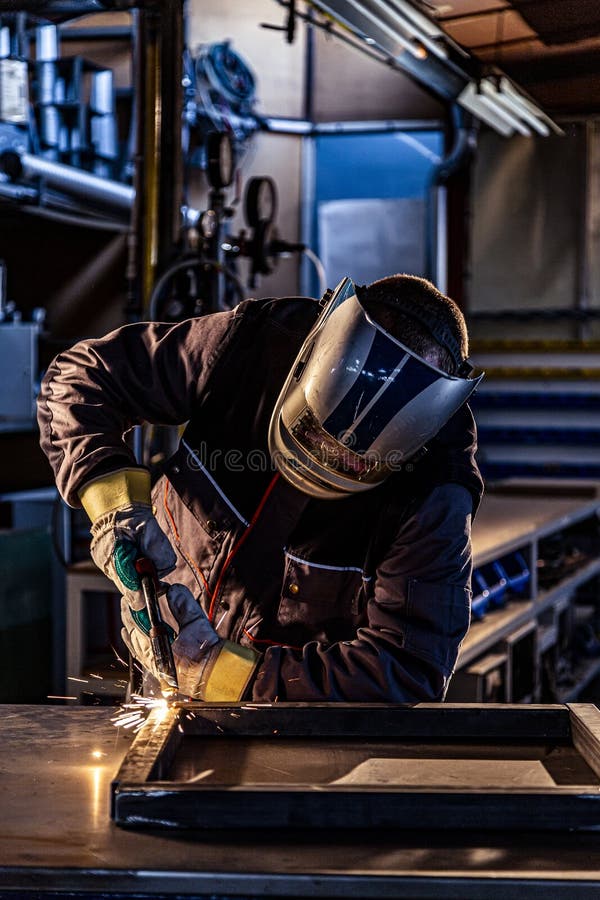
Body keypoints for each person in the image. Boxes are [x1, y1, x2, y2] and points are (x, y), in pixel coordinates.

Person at [37, 274, 483, 702]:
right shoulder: (250, 346)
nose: (329, 459)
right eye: (317, 432)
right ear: (317, 356)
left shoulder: (435, 485)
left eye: (355, 459)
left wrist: (223, 675)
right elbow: (79, 381)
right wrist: (114, 507)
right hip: (161, 656)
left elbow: (407, 671)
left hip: (291, 727)